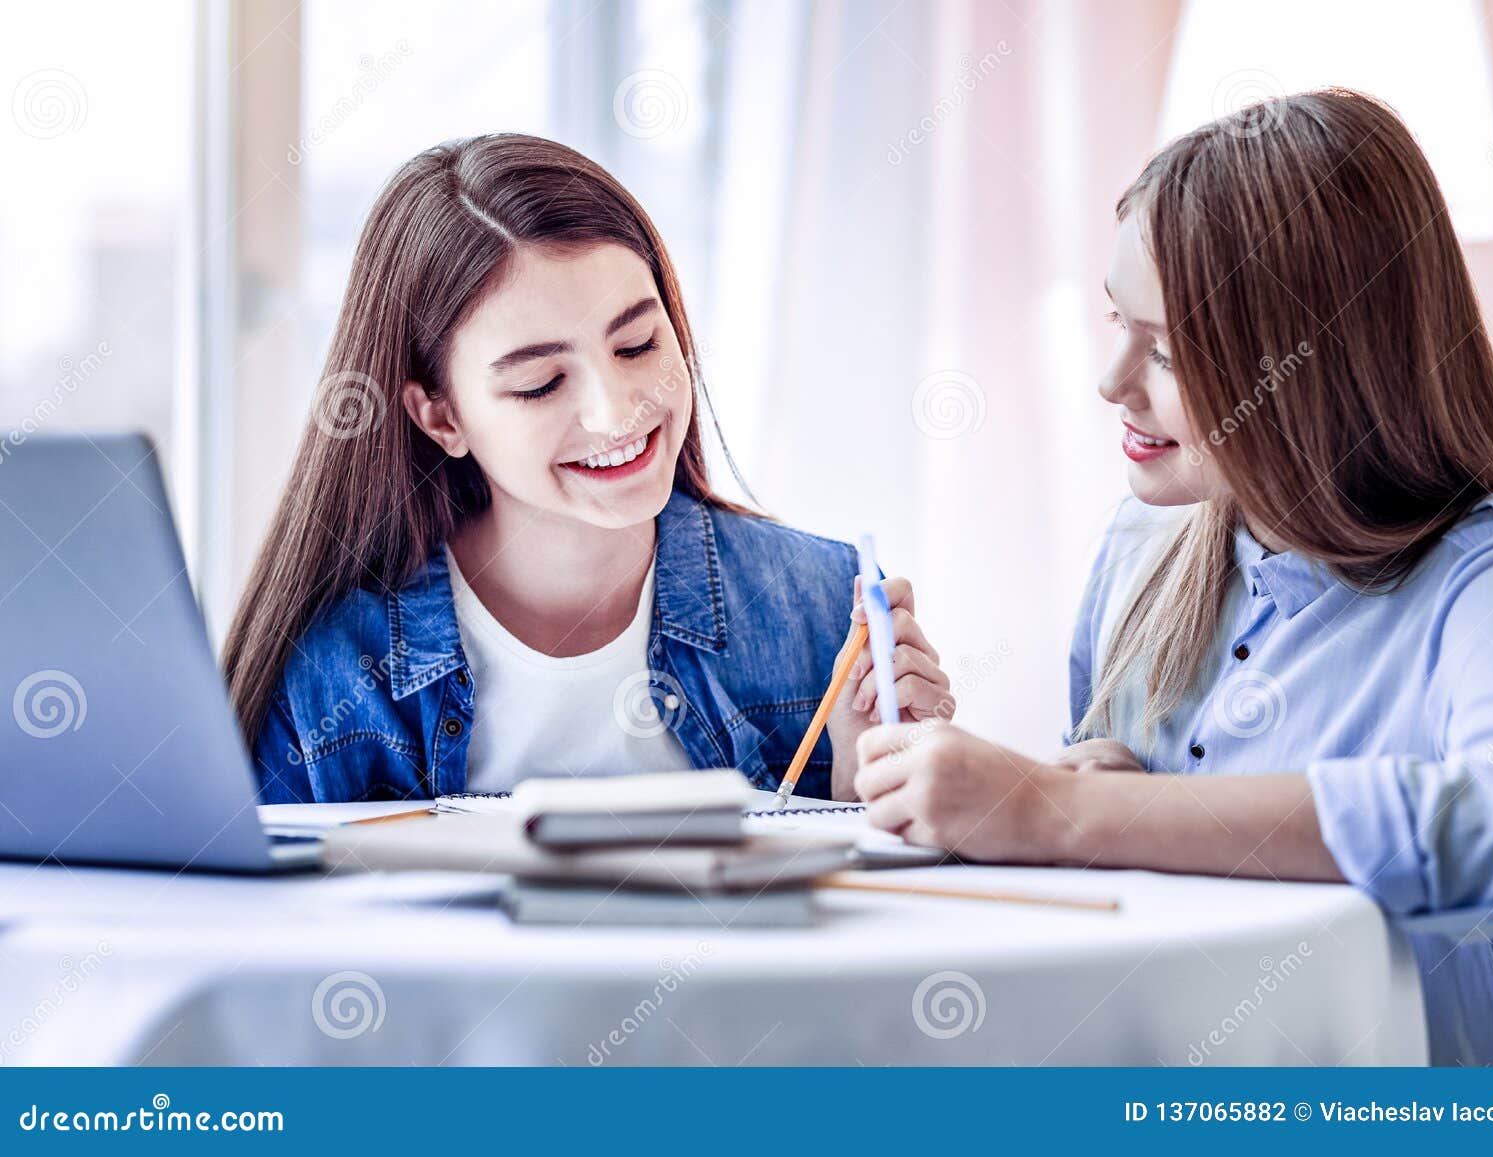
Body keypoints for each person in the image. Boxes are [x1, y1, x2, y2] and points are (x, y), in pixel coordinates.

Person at [855, 90, 1493, 1065]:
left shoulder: (1489, 574)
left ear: (1312, 367)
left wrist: (1065, 807)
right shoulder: (1141, 548)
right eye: (1115, 320)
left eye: (1163, 347)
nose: (1111, 379)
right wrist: (1107, 779)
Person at [224, 134, 952, 806]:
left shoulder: (823, 608)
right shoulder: (335, 670)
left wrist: (871, 805)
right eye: (541, 383)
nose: (616, 412)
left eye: (637, 345)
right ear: (441, 416)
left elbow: (894, 928)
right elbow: (277, 939)